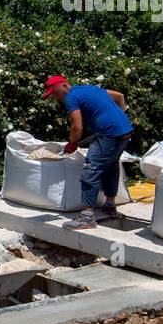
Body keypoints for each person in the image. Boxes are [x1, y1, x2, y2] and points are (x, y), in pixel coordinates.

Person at [42, 75, 133, 229]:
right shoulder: (88, 88)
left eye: (54, 92)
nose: (55, 97)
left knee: (91, 168)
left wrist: (72, 143)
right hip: (124, 132)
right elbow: (119, 96)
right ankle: (110, 206)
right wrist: (118, 117)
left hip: (109, 133)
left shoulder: (71, 97)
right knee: (111, 166)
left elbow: (77, 127)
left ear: (63, 85)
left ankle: (87, 217)